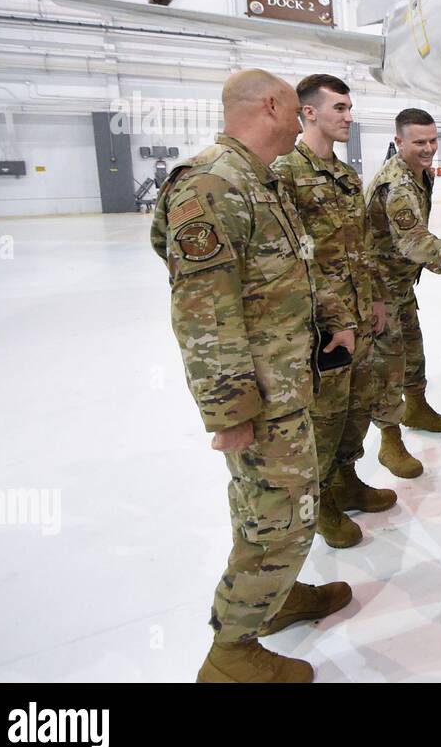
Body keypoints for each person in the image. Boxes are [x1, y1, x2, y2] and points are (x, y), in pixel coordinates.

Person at [150, 69, 354, 682]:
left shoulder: (257, 180)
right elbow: (203, 312)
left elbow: (291, 269)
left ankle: (275, 597)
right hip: (260, 399)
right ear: (271, 105)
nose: (301, 122)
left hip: (287, 386)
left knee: (269, 510)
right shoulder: (213, 182)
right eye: (296, 110)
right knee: (280, 520)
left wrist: (331, 319)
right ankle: (231, 654)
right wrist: (231, 412)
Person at [271, 74, 397, 549]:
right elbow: (289, 257)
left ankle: (345, 478)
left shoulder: (346, 176)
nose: (348, 117)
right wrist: (332, 317)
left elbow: (366, 247)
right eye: (339, 108)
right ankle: (320, 500)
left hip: (361, 315)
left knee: (357, 405)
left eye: (349, 109)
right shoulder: (284, 172)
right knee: (323, 416)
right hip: (321, 326)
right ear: (309, 112)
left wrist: (379, 298)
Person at [365, 108, 441, 464]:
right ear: (398, 142)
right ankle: (390, 440)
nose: (429, 148)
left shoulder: (421, 175)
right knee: (387, 365)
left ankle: (416, 409)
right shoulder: (398, 184)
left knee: (413, 353)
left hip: (400, 283)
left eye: (433, 140)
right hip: (379, 289)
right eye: (419, 142)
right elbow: (415, 242)